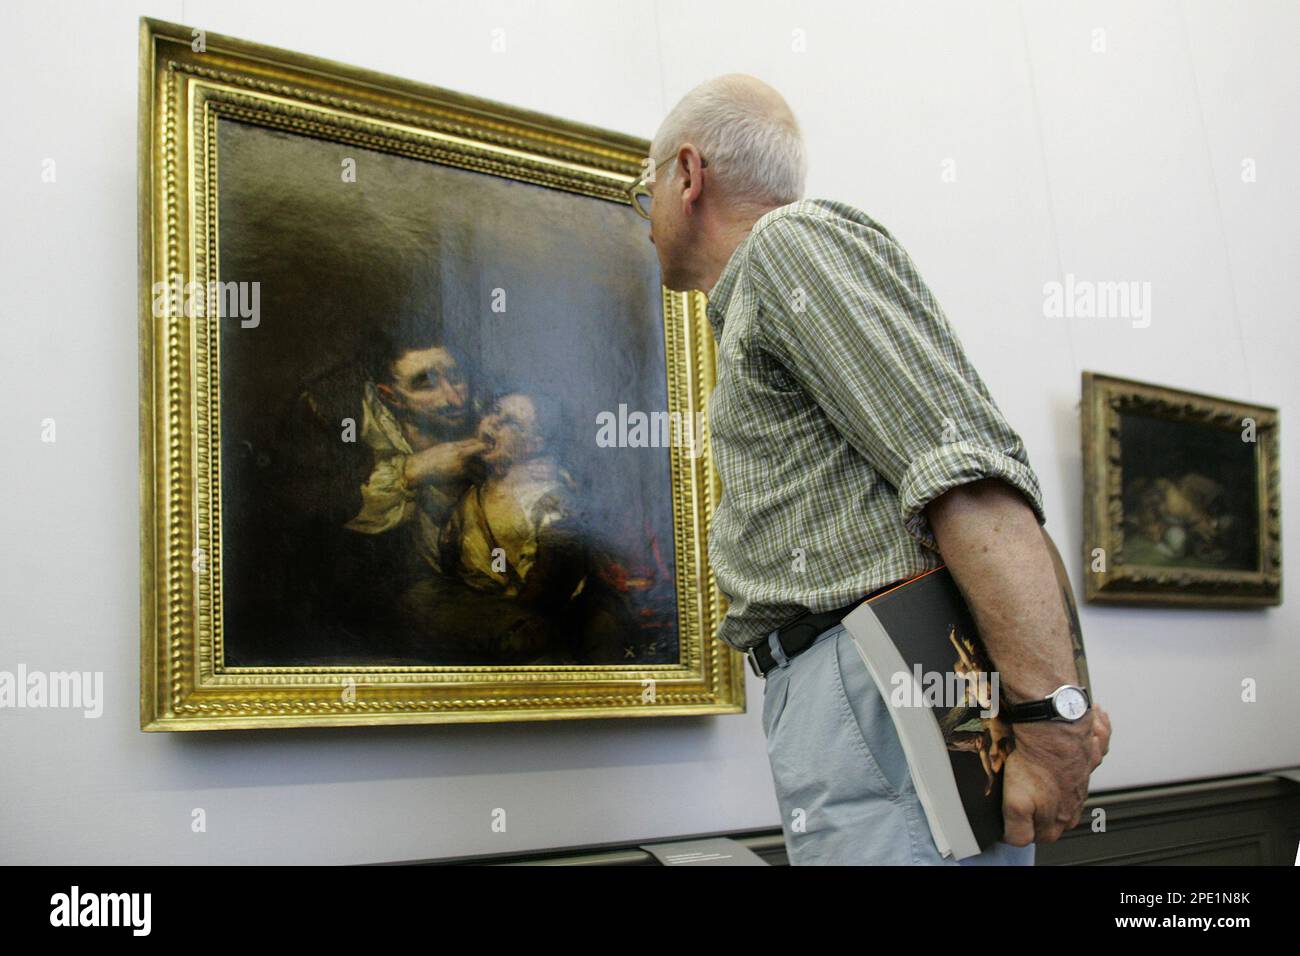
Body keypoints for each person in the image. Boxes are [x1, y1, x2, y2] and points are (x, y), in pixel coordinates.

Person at [635, 74, 1112, 865]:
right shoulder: (776, 278)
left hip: (871, 685)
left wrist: (1053, 725)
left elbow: (973, 484)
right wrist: (1060, 701)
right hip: (864, 687)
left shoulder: (790, 247)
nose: (641, 213)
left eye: (641, 186)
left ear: (687, 175)